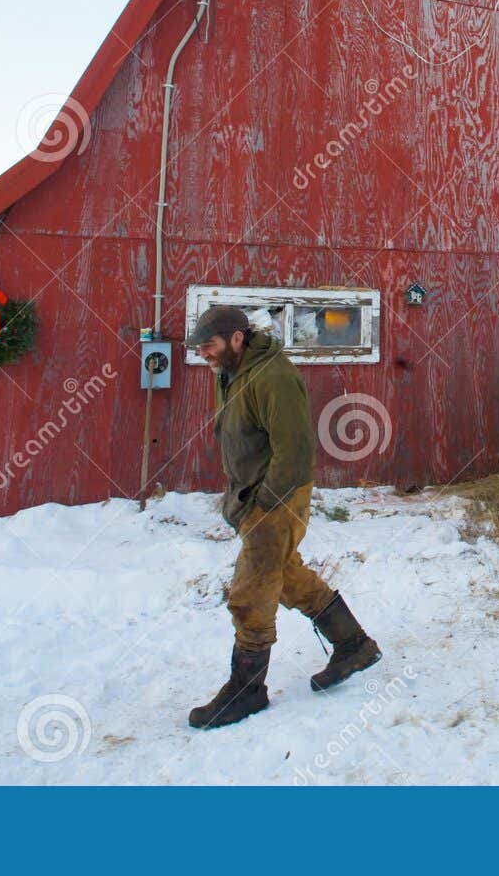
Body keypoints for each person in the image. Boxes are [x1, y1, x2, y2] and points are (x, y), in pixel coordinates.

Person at [186, 305, 382, 729]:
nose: (203, 354)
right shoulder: (231, 372)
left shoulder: (273, 377)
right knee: (285, 576)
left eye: (209, 345)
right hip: (252, 496)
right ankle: (354, 644)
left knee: (251, 593)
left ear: (237, 338)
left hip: (276, 498)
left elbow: (295, 451)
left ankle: (247, 690)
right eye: (200, 348)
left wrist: (265, 502)